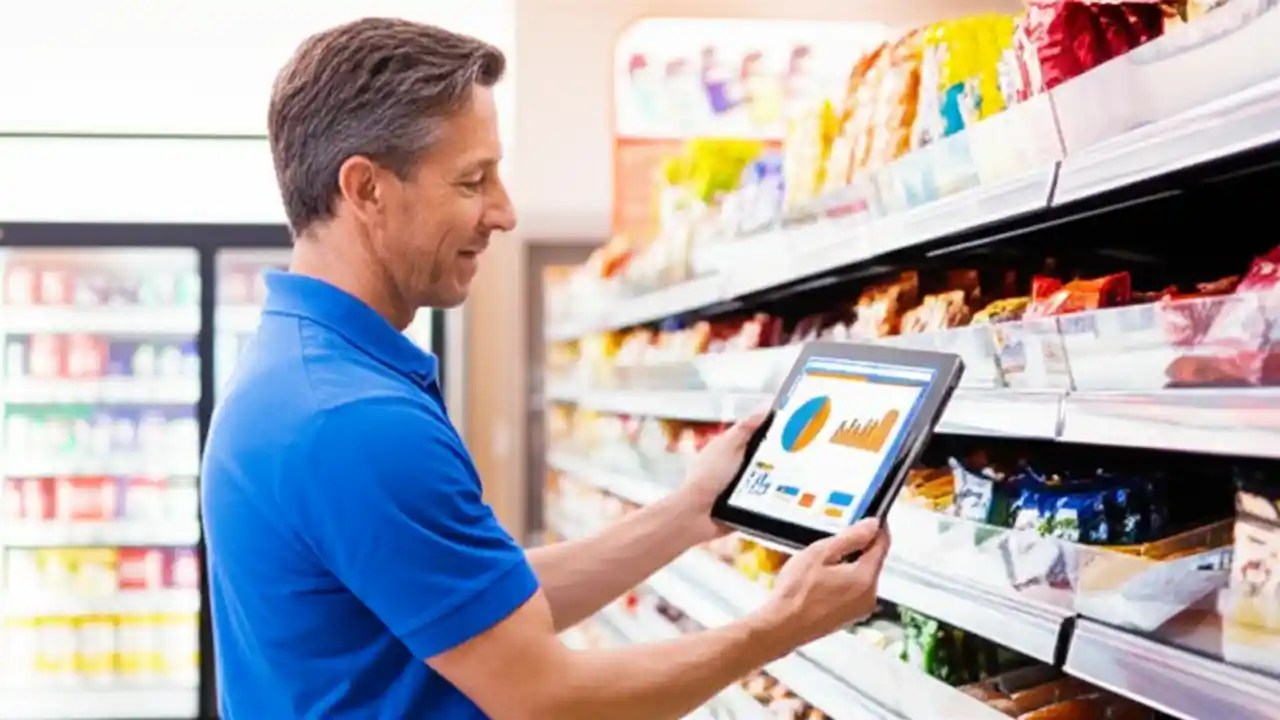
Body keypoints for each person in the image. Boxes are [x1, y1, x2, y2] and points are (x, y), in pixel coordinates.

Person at [201, 17, 891, 720]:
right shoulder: (352, 420)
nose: (504, 212)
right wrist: (779, 627)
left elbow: (484, 606)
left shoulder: (301, 370)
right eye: (473, 180)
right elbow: (548, 700)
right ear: (368, 190)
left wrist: (686, 513)